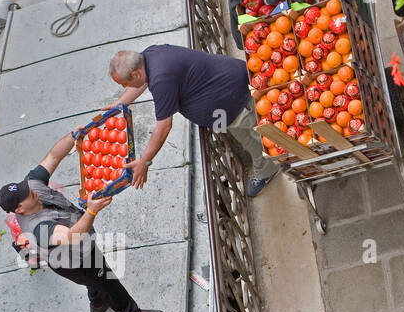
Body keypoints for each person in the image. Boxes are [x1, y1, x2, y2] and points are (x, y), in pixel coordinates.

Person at [0, 131, 165, 312]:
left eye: (26, 188)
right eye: (26, 194)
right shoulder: (38, 227)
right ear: (19, 209)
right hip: (74, 260)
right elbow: (72, 236)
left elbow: (54, 156)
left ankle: (97, 304)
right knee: (107, 281)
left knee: (95, 281)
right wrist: (91, 212)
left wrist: (73, 135)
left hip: (81, 246)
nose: (31, 190)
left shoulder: (32, 186)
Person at [108, 43, 280, 198]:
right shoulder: (149, 55)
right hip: (223, 112)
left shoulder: (161, 80)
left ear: (135, 73)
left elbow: (164, 126)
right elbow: (140, 84)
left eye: (123, 83)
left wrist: (144, 161)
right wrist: (118, 105)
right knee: (246, 140)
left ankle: (288, 164)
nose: (124, 88)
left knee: (267, 135)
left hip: (236, 100)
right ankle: (265, 169)